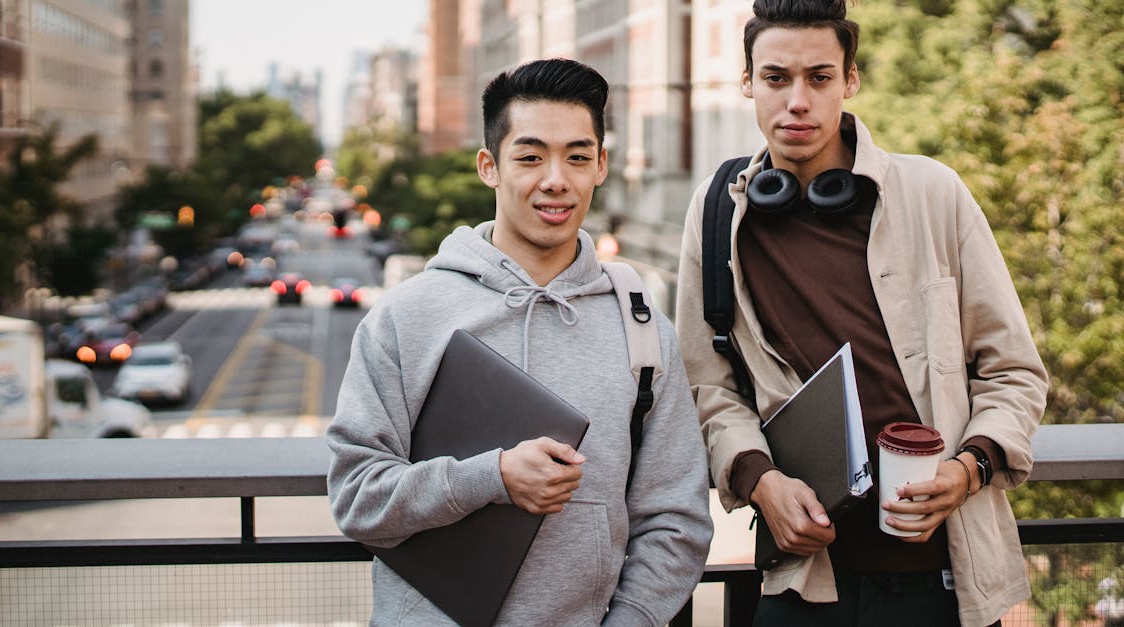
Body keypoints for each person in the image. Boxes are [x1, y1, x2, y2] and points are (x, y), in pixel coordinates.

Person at [674, 1, 1048, 626]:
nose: (798, 101)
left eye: (819, 78)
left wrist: (968, 469)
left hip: (944, 580)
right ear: (746, 82)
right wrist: (761, 482)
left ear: (850, 80)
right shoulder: (718, 216)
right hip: (801, 582)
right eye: (775, 78)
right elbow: (706, 388)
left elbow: (1014, 372)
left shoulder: (934, 193)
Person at [327, 58, 713, 626]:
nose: (555, 179)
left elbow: (676, 520)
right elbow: (357, 499)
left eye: (577, 157)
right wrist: (492, 477)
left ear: (601, 166)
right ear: (490, 166)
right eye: (530, 157)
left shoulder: (643, 329)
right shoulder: (407, 316)